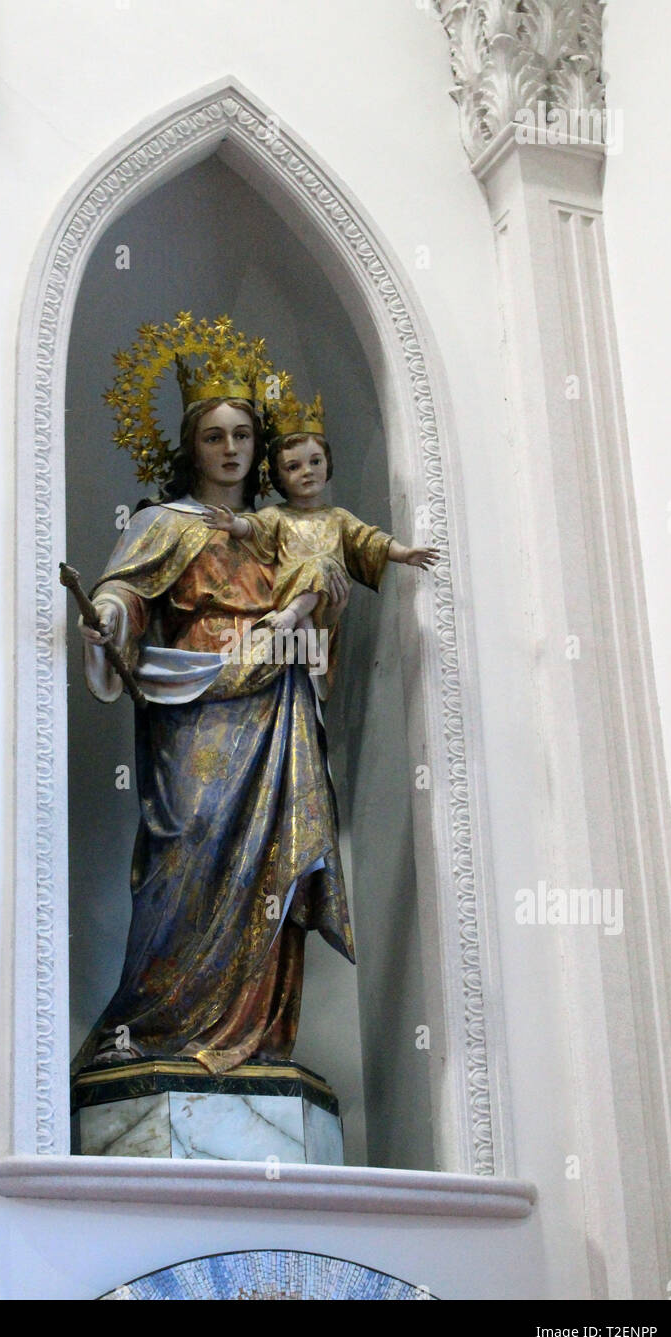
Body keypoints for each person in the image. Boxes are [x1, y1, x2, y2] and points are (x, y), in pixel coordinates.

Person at [73, 389, 353, 1078]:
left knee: (272, 857)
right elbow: (125, 594)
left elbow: (325, 582)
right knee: (189, 837)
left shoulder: (274, 528)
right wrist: (108, 616)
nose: (230, 450)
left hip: (276, 699)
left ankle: (253, 1036)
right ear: (189, 447)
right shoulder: (163, 523)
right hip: (192, 694)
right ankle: (152, 1022)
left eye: (243, 437)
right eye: (214, 437)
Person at [201, 388, 438, 634]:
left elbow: (372, 540)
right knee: (314, 586)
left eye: (315, 462)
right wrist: (232, 523)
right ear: (279, 478)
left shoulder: (337, 517)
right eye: (294, 466)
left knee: (323, 568)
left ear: (328, 465)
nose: (307, 472)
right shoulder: (277, 515)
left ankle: (310, 656)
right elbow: (253, 529)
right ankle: (304, 645)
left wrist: (405, 553)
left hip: (327, 595)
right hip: (292, 589)